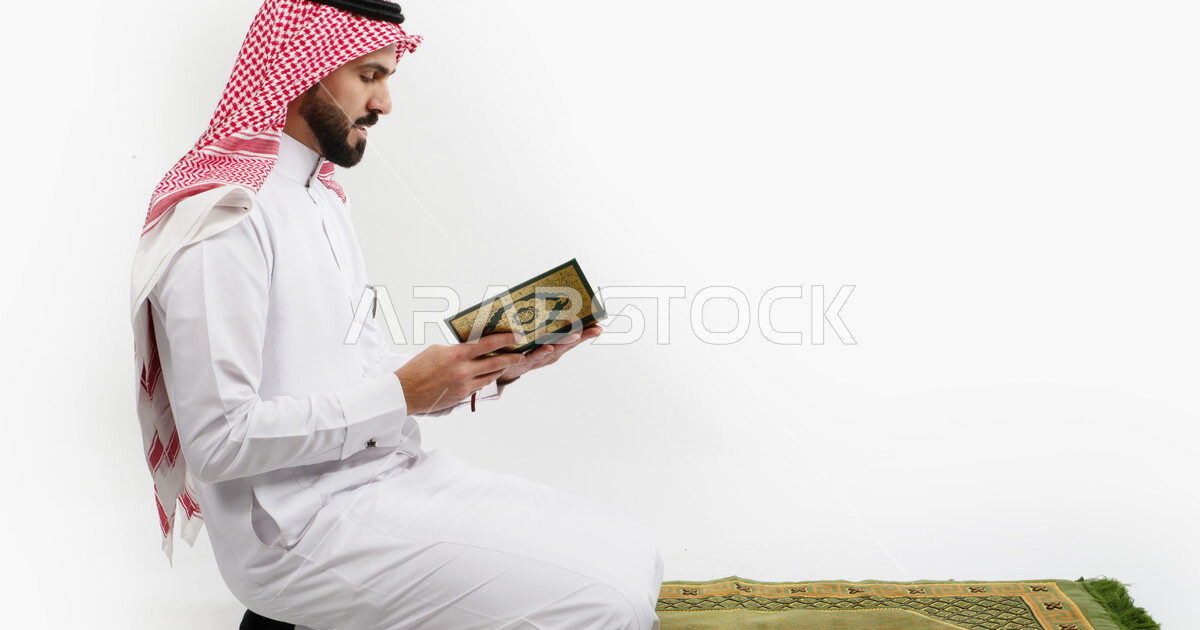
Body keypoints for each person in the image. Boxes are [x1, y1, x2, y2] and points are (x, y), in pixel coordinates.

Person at [128, 1, 663, 628]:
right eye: (369, 75)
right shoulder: (226, 220)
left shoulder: (321, 198)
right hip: (297, 532)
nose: (384, 104)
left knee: (637, 558)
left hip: (386, 478)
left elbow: (364, 366)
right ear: (304, 66)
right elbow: (219, 444)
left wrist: (488, 365)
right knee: (608, 604)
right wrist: (402, 395)